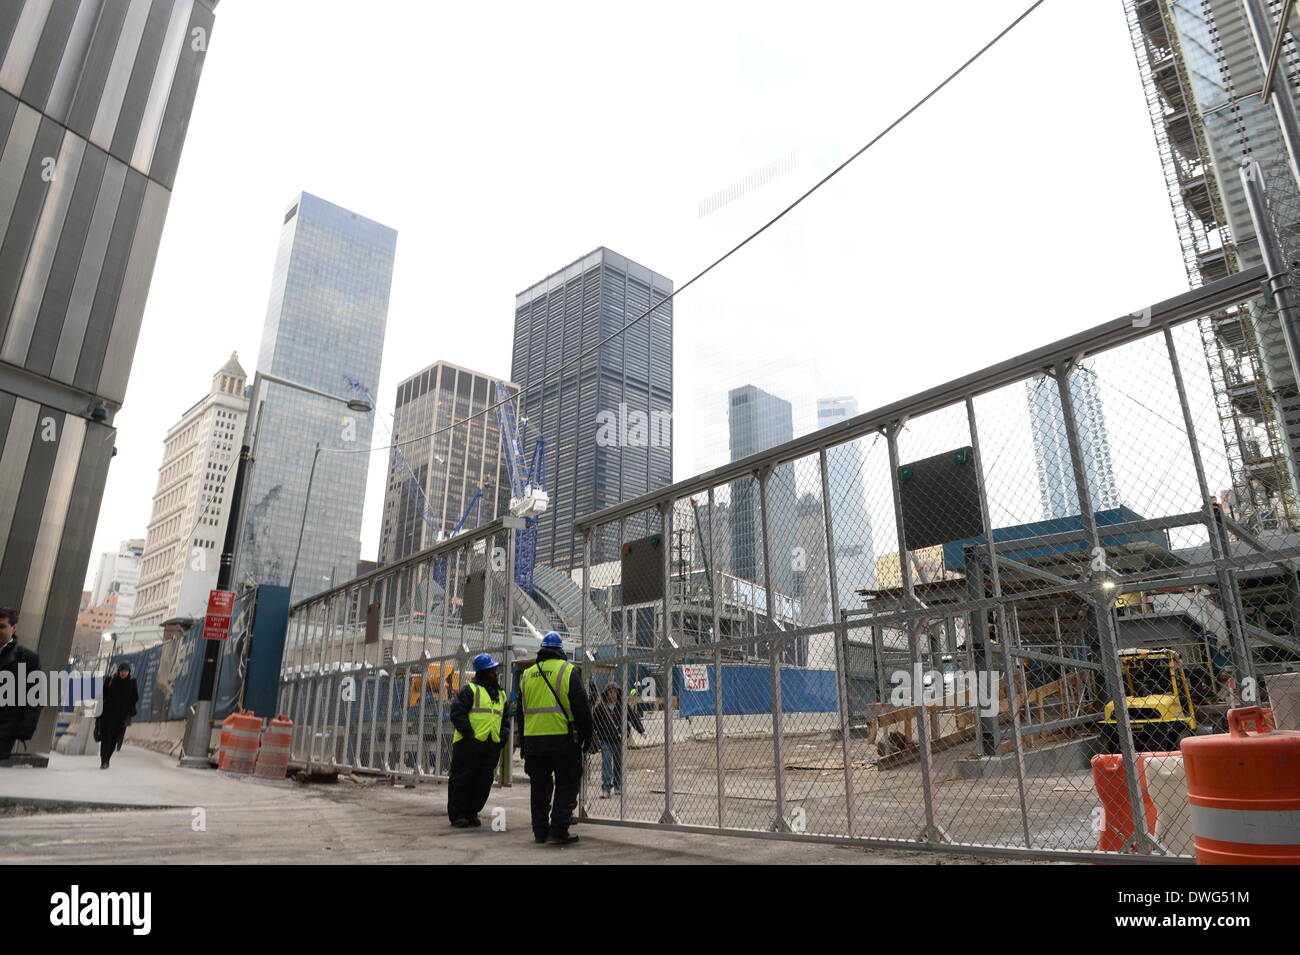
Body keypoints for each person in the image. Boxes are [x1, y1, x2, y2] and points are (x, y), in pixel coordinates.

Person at [516, 631, 592, 845]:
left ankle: (540, 831)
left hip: (533, 740)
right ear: (560, 651)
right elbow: (581, 707)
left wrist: (522, 742)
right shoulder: (567, 671)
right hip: (562, 739)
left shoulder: (527, 675)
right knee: (567, 783)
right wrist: (587, 735)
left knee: (539, 786)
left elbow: (520, 712)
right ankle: (558, 828)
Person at [446, 652, 507, 828]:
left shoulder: (500, 695)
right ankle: (458, 815)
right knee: (463, 779)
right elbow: (458, 713)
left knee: (483, 781)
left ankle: (471, 812)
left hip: (490, 744)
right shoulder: (469, 690)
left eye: (494, 670)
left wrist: (501, 738)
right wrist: (469, 734)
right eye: (491, 671)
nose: (495, 673)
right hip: (468, 743)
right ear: (482, 672)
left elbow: (504, 720)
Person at [0, 607, 40, 762]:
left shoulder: (27, 658)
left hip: (5, 728)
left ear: (13, 628)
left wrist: (25, 728)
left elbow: (35, 697)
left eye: (2, 626)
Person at [593, 683, 644, 797]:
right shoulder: (601, 707)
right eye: (610, 692)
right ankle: (606, 788)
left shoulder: (622, 706)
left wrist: (641, 730)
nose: (612, 694)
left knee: (618, 764)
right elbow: (594, 722)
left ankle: (617, 786)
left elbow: (632, 717)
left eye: (615, 692)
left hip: (619, 739)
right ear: (606, 693)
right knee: (606, 763)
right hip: (605, 739)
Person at [98, 661, 138, 769]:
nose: (123, 673)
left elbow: (135, 698)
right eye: (122, 671)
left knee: (114, 738)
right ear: (118, 671)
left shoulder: (132, 682)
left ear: (129, 672)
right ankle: (104, 760)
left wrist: (128, 709)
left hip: (121, 715)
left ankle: (107, 758)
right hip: (107, 713)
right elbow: (102, 696)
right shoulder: (110, 680)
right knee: (106, 737)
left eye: (126, 671)